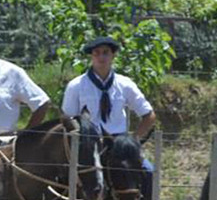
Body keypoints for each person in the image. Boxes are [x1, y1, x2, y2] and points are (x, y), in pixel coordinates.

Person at [61, 36, 156, 173]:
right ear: (91, 57)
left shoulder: (125, 84)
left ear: (113, 56)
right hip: (89, 146)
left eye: (106, 52)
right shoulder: (76, 86)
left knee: (148, 172)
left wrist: (133, 141)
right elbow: (67, 120)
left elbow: (149, 115)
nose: (101, 57)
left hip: (118, 145)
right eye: (96, 53)